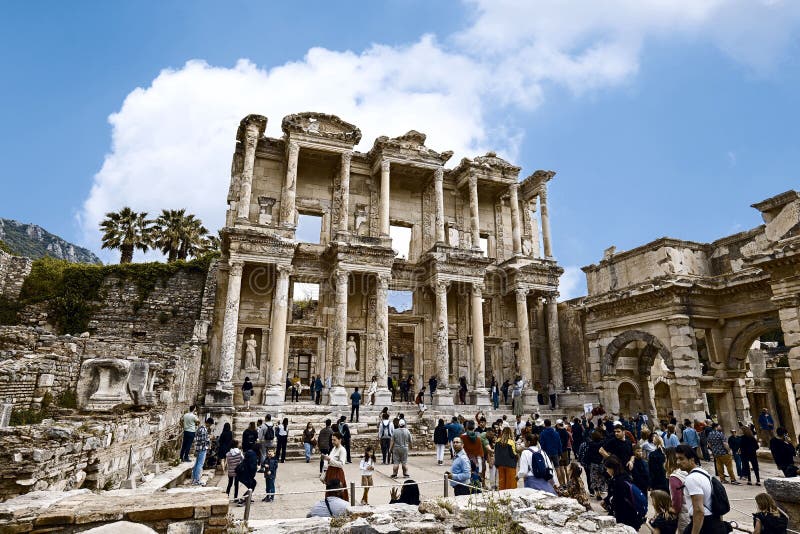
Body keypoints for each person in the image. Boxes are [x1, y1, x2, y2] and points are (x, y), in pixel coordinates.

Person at [675, 444, 728, 534]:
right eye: (677, 458)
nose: (678, 462)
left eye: (681, 458)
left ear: (691, 460)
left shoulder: (691, 479)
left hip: (704, 525)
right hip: (713, 521)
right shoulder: (703, 472)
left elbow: (699, 510)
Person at [602, 455, 643, 530]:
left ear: (612, 468)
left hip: (626, 517)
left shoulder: (619, 482)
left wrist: (609, 504)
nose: (607, 471)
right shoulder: (623, 476)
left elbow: (618, 502)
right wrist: (606, 500)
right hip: (630, 515)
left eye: (607, 468)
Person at [665, 447, 690, 533]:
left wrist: (669, 509)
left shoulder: (675, 477)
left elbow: (677, 502)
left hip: (684, 515)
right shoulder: (686, 471)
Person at [322, 432, 349, 502]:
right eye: (332, 440)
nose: (332, 442)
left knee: (337, 493)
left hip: (337, 473)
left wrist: (329, 459)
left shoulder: (342, 450)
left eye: (334, 440)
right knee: (330, 493)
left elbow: (341, 464)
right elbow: (330, 462)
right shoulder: (334, 448)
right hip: (330, 472)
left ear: (340, 440)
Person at [494, 426, 518, 490]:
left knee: (502, 484)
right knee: (510, 485)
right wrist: (517, 456)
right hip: (510, 465)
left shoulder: (497, 441)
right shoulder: (511, 442)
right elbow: (513, 454)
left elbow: (495, 452)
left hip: (500, 465)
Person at [585, 431, 607, 500]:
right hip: (601, 463)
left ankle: (597, 492)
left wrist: (587, 463)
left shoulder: (590, 445)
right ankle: (601, 490)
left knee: (594, 478)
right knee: (601, 477)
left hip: (593, 464)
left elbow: (588, 455)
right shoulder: (603, 444)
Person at [192, 417, 213, 485]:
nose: (210, 426)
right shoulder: (204, 429)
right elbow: (204, 441)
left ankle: (194, 478)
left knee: (197, 464)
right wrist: (209, 438)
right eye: (210, 424)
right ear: (209, 423)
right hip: (202, 449)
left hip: (198, 448)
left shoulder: (200, 428)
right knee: (200, 464)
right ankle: (197, 480)